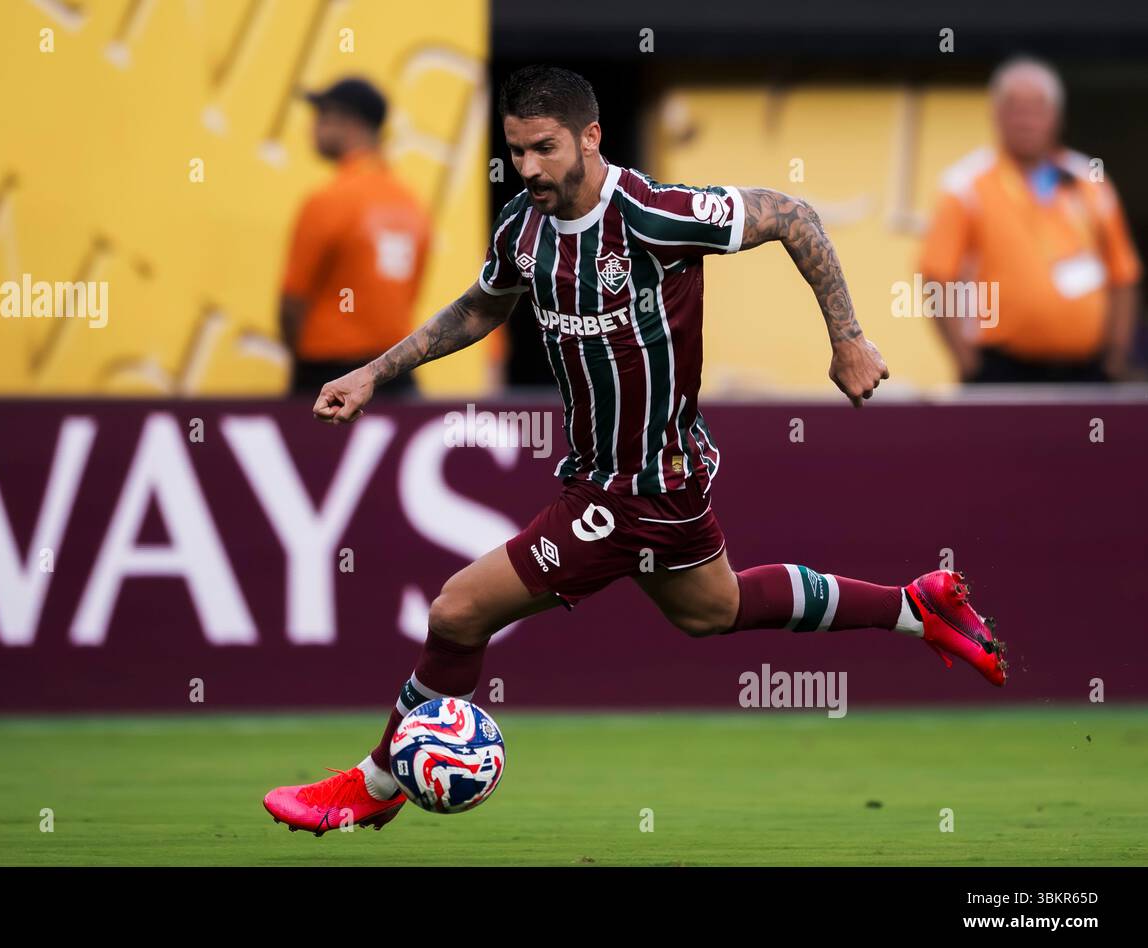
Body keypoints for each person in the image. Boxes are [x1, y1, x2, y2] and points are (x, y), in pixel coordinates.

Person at [264, 66, 1006, 835]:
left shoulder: (654, 213)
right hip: (641, 484)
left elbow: (792, 213)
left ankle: (377, 782)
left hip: (628, 493)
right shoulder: (523, 225)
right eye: (516, 151)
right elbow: (484, 304)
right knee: (713, 610)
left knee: (457, 613)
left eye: (544, 149)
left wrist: (848, 337)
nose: (529, 169)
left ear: (590, 136)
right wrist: (375, 372)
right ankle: (915, 609)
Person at [920, 56, 1142, 383]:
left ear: (1057, 116)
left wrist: (1116, 357)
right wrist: (968, 363)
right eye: (1015, 108)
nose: (1026, 120)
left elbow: (1123, 274)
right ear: (995, 114)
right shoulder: (965, 184)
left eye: (1037, 108)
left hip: (1087, 371)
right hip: (1001, 368)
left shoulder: (1089, 179)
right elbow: (936, 276)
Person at [279, 77, 431, 396]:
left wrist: (301, 365)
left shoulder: (328, 200)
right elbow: (409, 293)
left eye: (321, 116)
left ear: (348, 122)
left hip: (329, 372)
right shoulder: (412, 203)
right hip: (395, 376)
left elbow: (292, 302)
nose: (312, 128)